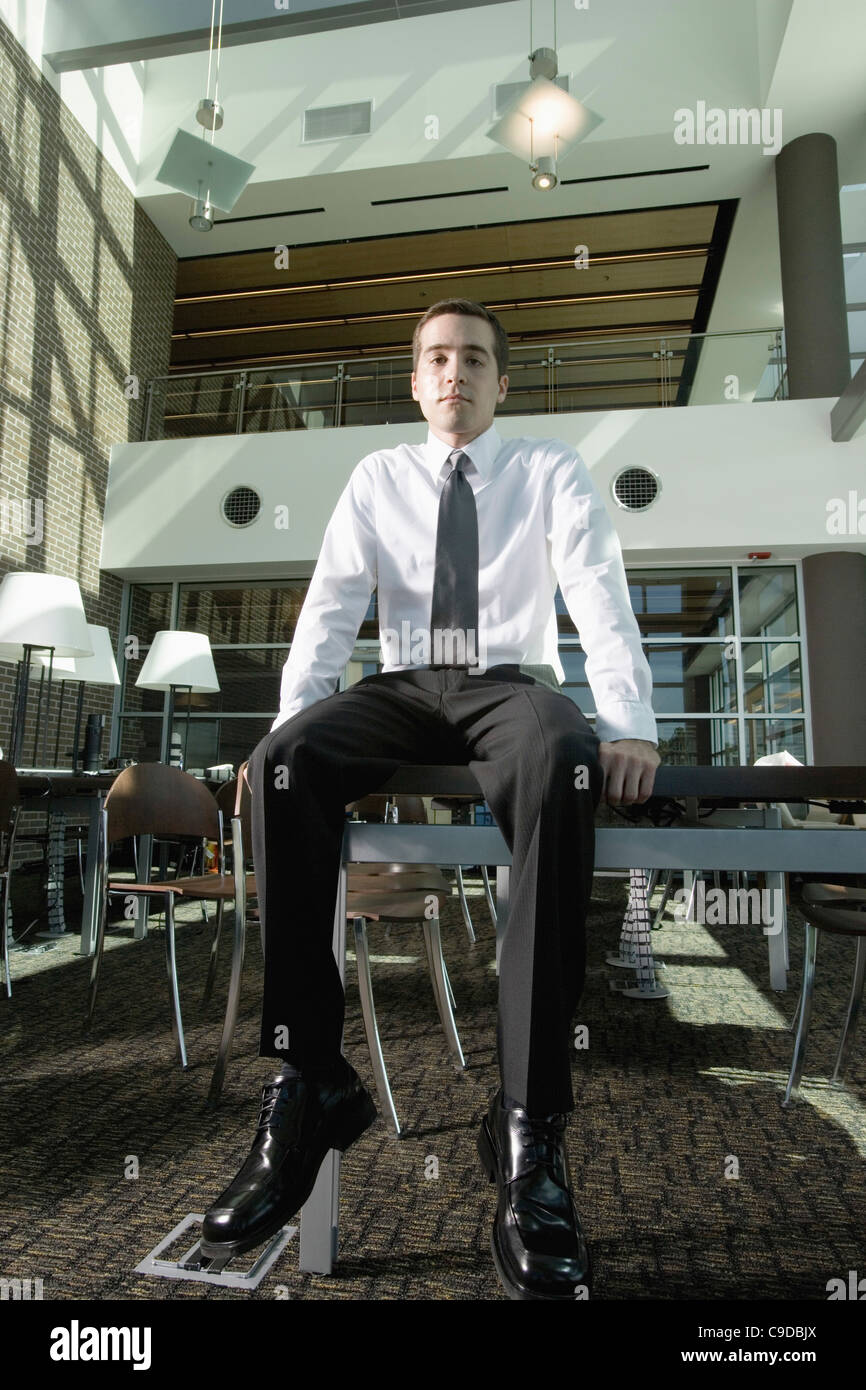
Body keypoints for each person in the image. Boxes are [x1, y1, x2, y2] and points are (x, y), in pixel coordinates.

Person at [201, 298, 660, 1300]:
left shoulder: (548, 470)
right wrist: (283, 729)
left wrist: (627, 717)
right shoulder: (377, 477)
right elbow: (328, 608)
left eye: (475, 359)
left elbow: (593, 585)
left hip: (509, 683)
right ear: (416, 382)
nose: (455, 373)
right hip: (405, 684)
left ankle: (530, 1135)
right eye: (437, 359)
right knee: (289, 768)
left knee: (559, 757)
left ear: (501, 381)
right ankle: (307, 1079)